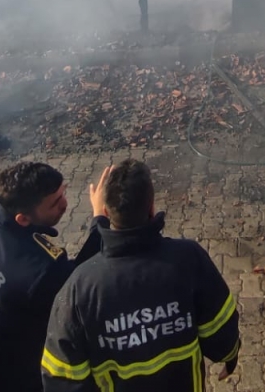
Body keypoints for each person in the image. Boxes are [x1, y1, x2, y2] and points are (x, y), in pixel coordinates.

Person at [42, 160, 240, 391]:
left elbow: (62, 378)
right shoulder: (188, 259)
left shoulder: (80, 287)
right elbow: (219, 329)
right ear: (151, 207)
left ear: (105, 211)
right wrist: (229, 354)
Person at [0, 162, 111, 392]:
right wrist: (99, 220)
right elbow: (80, 281)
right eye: (55, 203)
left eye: (62, 193)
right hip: (4, 377)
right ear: (23, 219)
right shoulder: (38, 270)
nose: (65, 204)